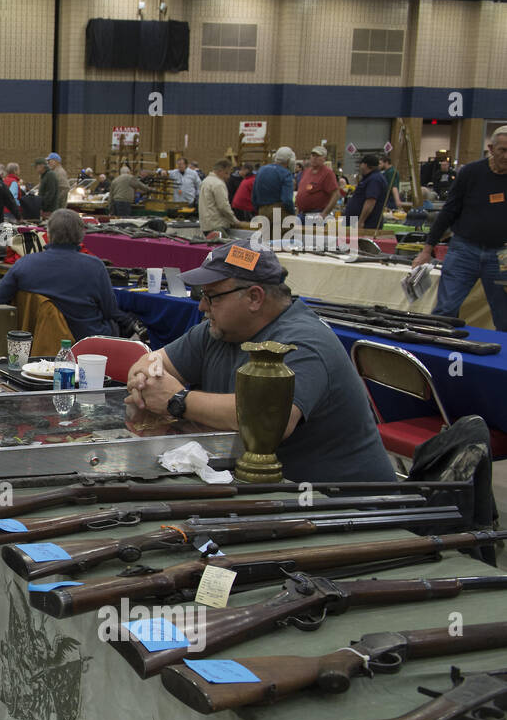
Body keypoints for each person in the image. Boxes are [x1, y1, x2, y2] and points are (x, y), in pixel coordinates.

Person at [125, 242, 395, 482]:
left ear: (254, 297)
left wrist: (177, 400)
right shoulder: (218, 331)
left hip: (343, 504)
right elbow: (150, 361)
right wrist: (145, 379)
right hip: (264, 488)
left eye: (211, 296)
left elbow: (269, 418)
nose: (201, 307)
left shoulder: (304, 341)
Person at [415, 126, 507, 330]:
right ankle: (437, 350)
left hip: (502, 254)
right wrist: (427, 249)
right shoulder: (471, 173)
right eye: (503, 150)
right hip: (465, 249)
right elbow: (449, 211)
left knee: (504, 314)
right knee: (445, 309)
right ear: (491, 149)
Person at [0, 209, 126, 338]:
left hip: (38, 340)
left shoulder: (25, 264)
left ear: (48, 234)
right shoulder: (95, 266)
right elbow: (110, 311)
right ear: (81, 234)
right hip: (86, 340)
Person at [344, 154, 387, 233]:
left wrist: (361, 221)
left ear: (365, 165)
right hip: (355, 221)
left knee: (360, 244)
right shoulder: (369, 178)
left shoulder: (375, 179)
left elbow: (370, 201)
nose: (360, 167)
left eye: (361, 164)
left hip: (368, 224)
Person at [198, 159, 240, 237]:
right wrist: (234, 220)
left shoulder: (206, 181)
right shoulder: (218, 184)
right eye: (227, 173)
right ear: (220, 171)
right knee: (224, 248)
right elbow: (223, 206)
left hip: (206, 225)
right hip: (217, 225)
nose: (228, 177)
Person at [294, 146, 339, 217]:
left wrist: (325, 213)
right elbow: (301, 192)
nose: (314, 158)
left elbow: (336, 195)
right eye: (313, 155)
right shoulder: (306, 172)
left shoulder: (327, 173)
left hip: (316, 214)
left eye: (318, 156)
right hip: (301, 214)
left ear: (324, 158)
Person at [252, 146, 295, 220]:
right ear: (289, 161)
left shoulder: (261, 170)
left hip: (262, 212)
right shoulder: (286, 174)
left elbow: (254, 196)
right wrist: (292, 213)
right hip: (278, 213)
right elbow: (287, 200)